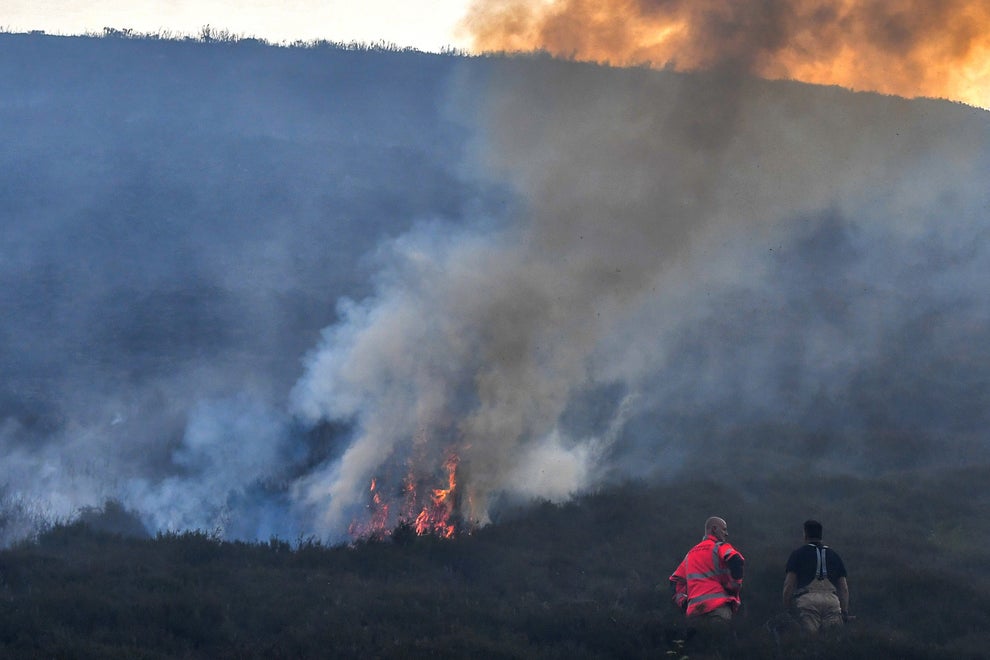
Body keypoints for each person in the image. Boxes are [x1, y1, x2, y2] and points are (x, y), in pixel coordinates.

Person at [669, 516, 746, 626]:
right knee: (718, 641)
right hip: (718, 608)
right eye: (724, 529)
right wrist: (734, 586)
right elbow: (736, 560)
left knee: (699, 642)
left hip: (694, 612)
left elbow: (674, 582)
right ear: (714, 529)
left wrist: (683, 602)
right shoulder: (719, 547)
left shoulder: (690, 554)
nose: (726, 534)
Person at [782, 519, 851, 633]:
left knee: (809, 641)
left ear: (805, 534)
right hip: (831, 602)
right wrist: (844, 612)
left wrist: (787, 608)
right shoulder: (834, 555)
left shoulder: (797, 554)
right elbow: (844, 588)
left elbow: (788, 585)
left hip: (807, 602)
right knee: (832, 640)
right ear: (821, 534)